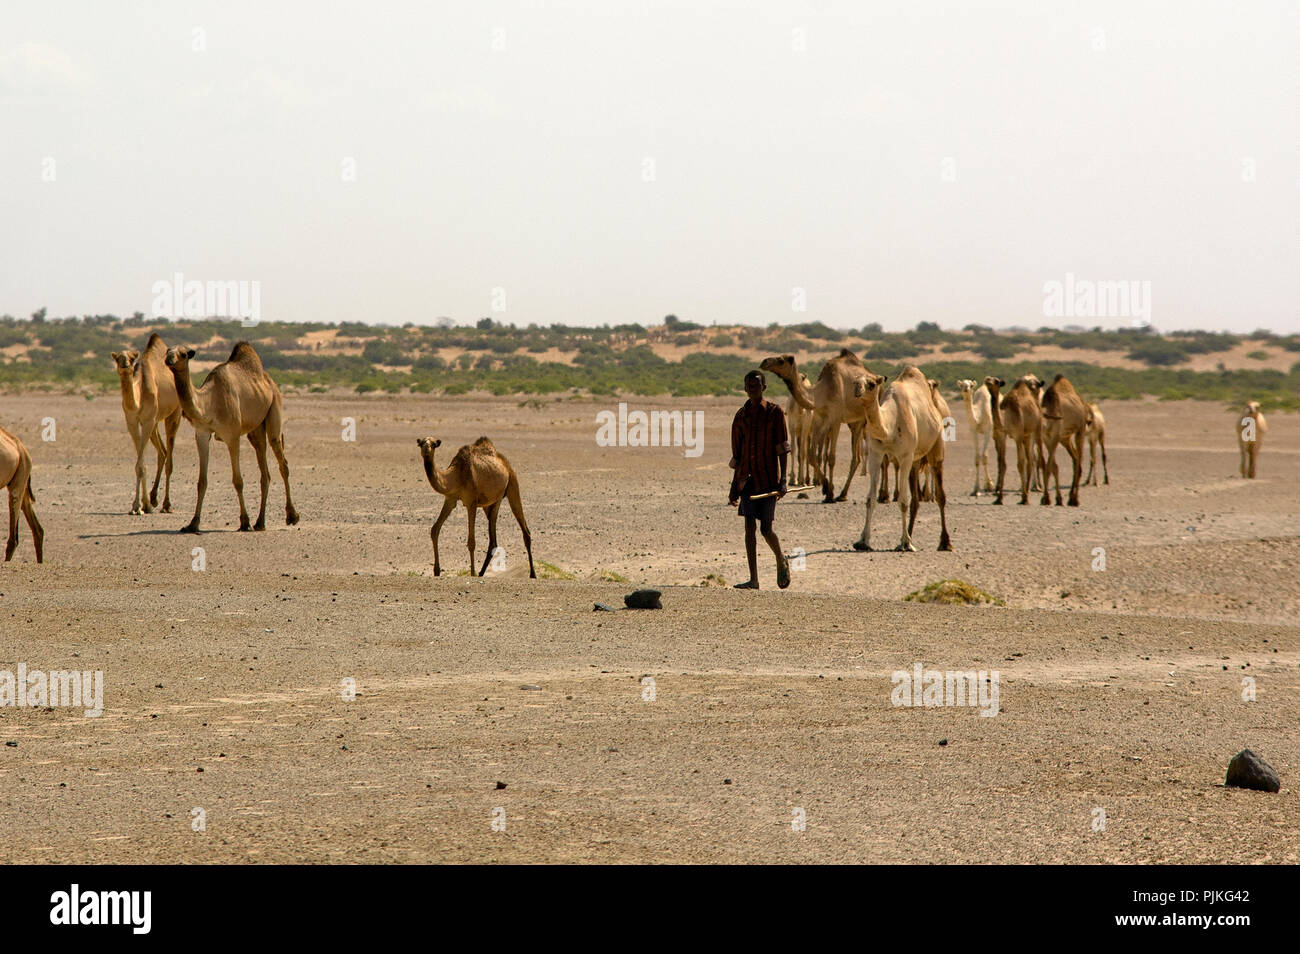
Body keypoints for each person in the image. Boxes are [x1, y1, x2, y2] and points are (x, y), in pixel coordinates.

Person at [728, 369, 792, 589]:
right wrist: (734, 486)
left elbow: (782, 449)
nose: (752, 389)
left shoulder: (775, 413)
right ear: (745, 388)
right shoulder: (740, 417)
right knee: (749, 527)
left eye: (756, 385)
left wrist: (784, 479)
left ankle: (780, 558)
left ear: (764, 387)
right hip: (747, 480)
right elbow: (737, 455)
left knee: (766, 529)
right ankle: (753, 579)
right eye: (749, 385)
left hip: (768, 480)